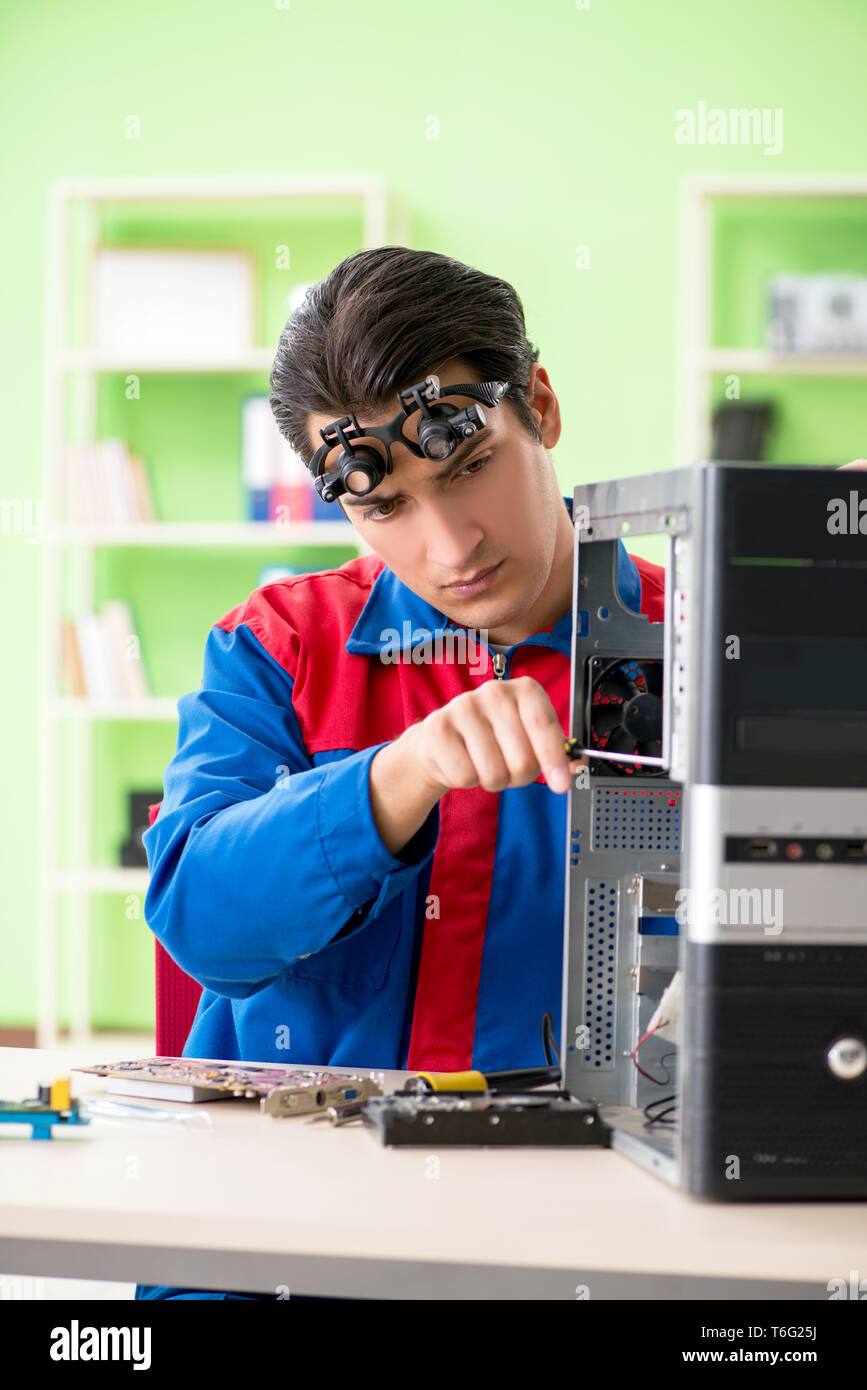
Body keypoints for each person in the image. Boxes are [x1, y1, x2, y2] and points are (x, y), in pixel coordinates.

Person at [134, 245, 668, 1300]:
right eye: (387, 506)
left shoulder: (699, 641)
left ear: (542, 408)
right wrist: (396, 776)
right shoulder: (278, 645)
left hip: (587, 1237)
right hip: (279, 1248)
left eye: (469, 467)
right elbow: (198, 914)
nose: (449, 542)